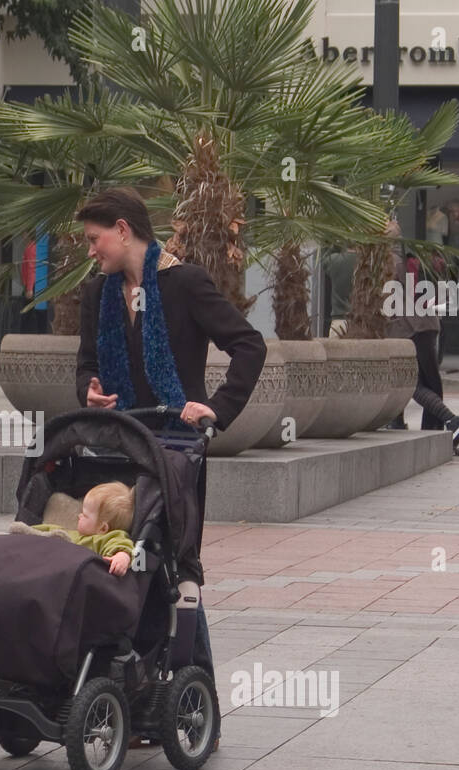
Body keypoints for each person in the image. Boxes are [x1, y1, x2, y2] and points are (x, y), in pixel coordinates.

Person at [73, 187, 266, 686]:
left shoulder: (184, 283)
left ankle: (190, 696)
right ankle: (137, 695)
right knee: (119, 557)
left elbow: (249, 345)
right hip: (114, 447)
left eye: (96, 239)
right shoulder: (98, 292)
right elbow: (86, 366)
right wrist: (89, 392)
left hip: (176, 450)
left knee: (174, 564)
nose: (90, 251)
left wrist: (217, 411)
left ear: (122, 229)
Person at [383, 222, 459, 451]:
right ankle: (436, 436)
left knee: (410, 383)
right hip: (428, 323)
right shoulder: (412, 256)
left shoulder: (389, 263)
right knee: (431, 383)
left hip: (407, 329)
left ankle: (453, 421)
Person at [12, 482, 137, 577]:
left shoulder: (109, 537)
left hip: (73, 567)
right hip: (60, 545)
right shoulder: (77, 534)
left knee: (60, 537)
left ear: (103, 528)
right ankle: (29, 534)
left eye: (85, 515)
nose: (79, 516)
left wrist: (122, 557)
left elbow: (122, 545)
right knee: (56, 530)